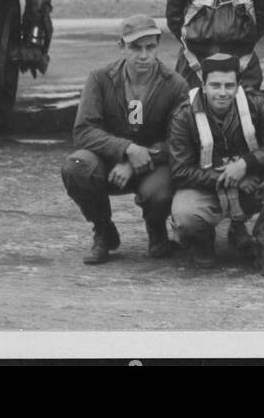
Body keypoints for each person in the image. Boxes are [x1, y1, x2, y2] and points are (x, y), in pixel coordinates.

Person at [60, 15, 190, 264]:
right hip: (109, 161)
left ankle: (156, 227)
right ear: (121, 47)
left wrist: (138, 158)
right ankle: (103, 229)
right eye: (135, 48)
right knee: (76, 167)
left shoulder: (175, 85)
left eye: (150, 47)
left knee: (161, 190)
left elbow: (179, 140)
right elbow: (84, 129)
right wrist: (126, 149)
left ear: (157, 46)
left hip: (155, 163)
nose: (143, 55)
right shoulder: (100, 78)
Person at [167, 53, 264, 272]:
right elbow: (180, 170)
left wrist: (246, 164)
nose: (222, 93)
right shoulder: (184, 115)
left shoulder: (255, 103)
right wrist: (229, 179)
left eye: (229, 85)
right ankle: (202, 242)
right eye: (215, 85)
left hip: (252, 179)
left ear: (238, 85)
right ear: (203, 85)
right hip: (206, 187)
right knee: (185, 216)